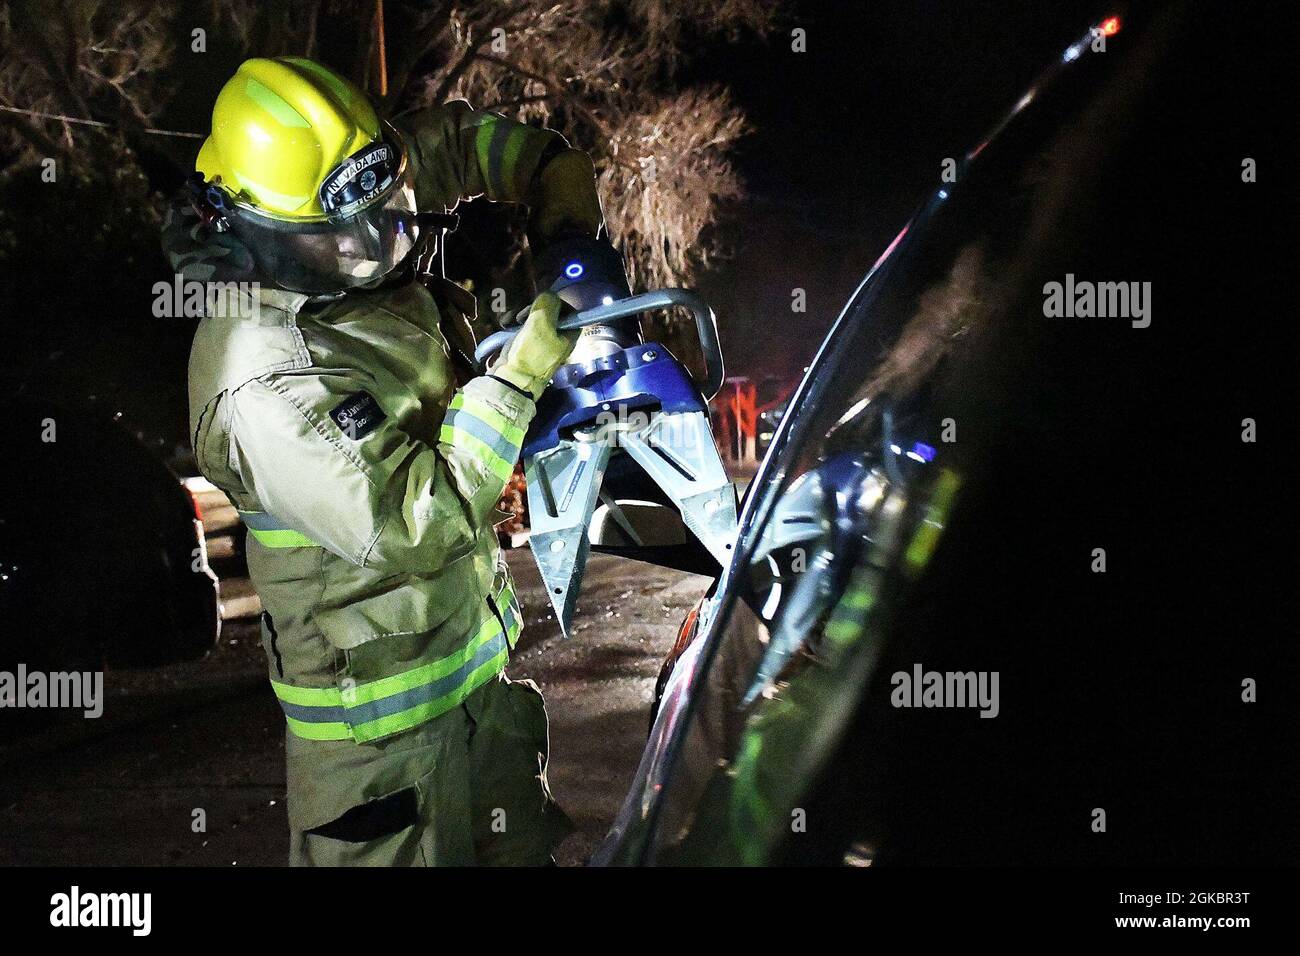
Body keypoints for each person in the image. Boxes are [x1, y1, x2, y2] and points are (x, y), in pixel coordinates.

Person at [166, 55, 608, 865]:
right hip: (382, 765)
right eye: (347, 234)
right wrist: (515, 380)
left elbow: (460, 144)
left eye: (390, 209)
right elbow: (421, 517)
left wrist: (555, 183)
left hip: (477, 706)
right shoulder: (260, 378)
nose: (383, 242)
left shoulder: (340, 191)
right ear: (263, 231)